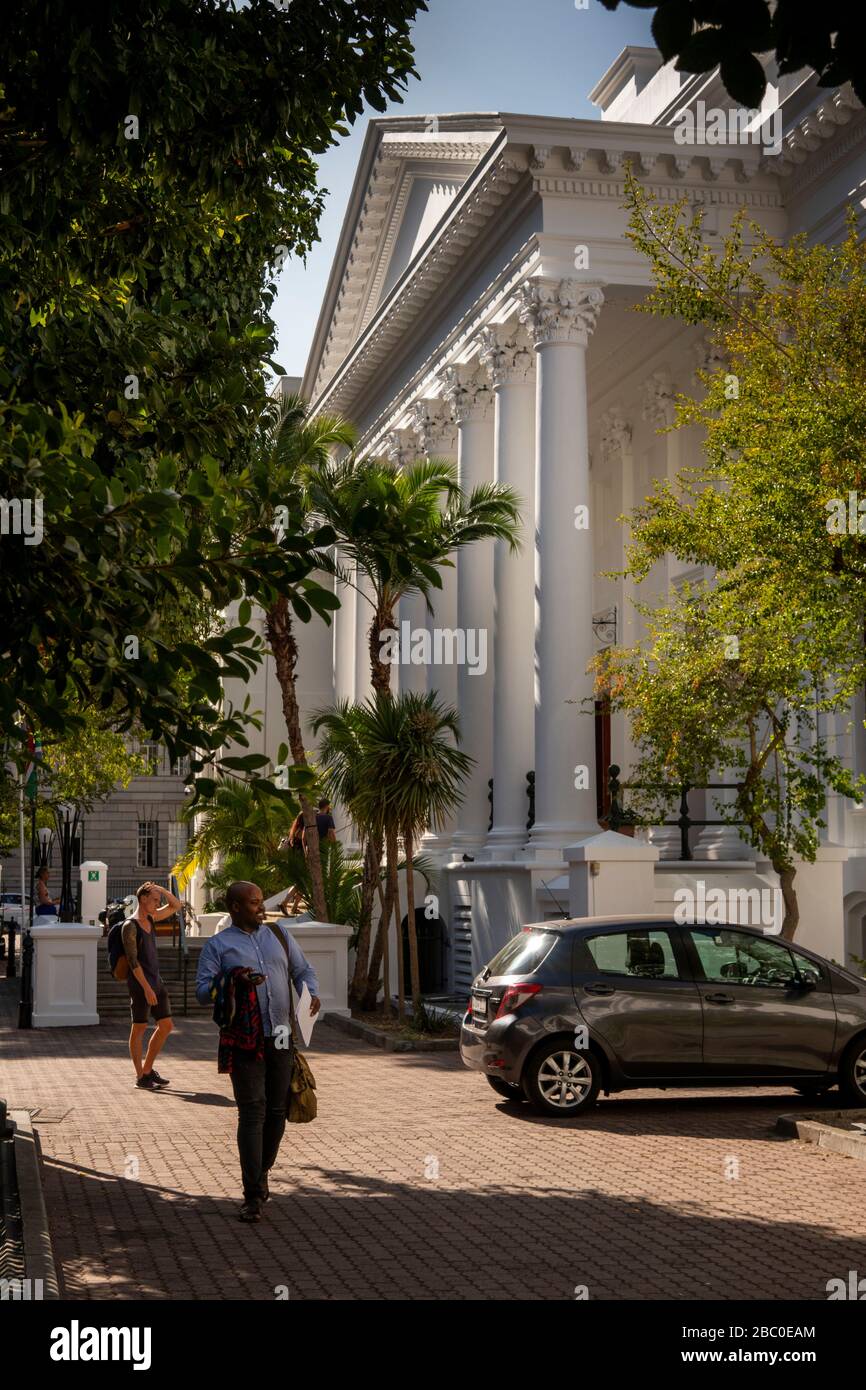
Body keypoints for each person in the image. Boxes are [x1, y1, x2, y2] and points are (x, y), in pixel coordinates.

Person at [195, 880, 321, 1224]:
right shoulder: (218, 946)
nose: (261, 907)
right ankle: (252, 1195)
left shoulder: (279, 936)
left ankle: (261, 1171)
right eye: (253, 902)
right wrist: (235, 978)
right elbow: (203, 992)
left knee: (277, 1111)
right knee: (253, 1112)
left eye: (261, 900)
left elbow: (303, 970)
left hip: (281, 1035)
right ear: (235, 907)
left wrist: (310, 992)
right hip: (244, 1039)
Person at [123, 881, 181, 1090]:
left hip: (157, 981)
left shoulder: (151, 918)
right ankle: (140, 1076)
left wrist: (163, 890)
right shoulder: (130, 925)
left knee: (166, 1026)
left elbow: (176, 906)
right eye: (155, 900)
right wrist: (146, 988)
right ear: (143, 899)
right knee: (139, 1028)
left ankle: (147, 1070)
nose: (158, 903)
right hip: (140, 985)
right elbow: (133, 962)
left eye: (159, 900)